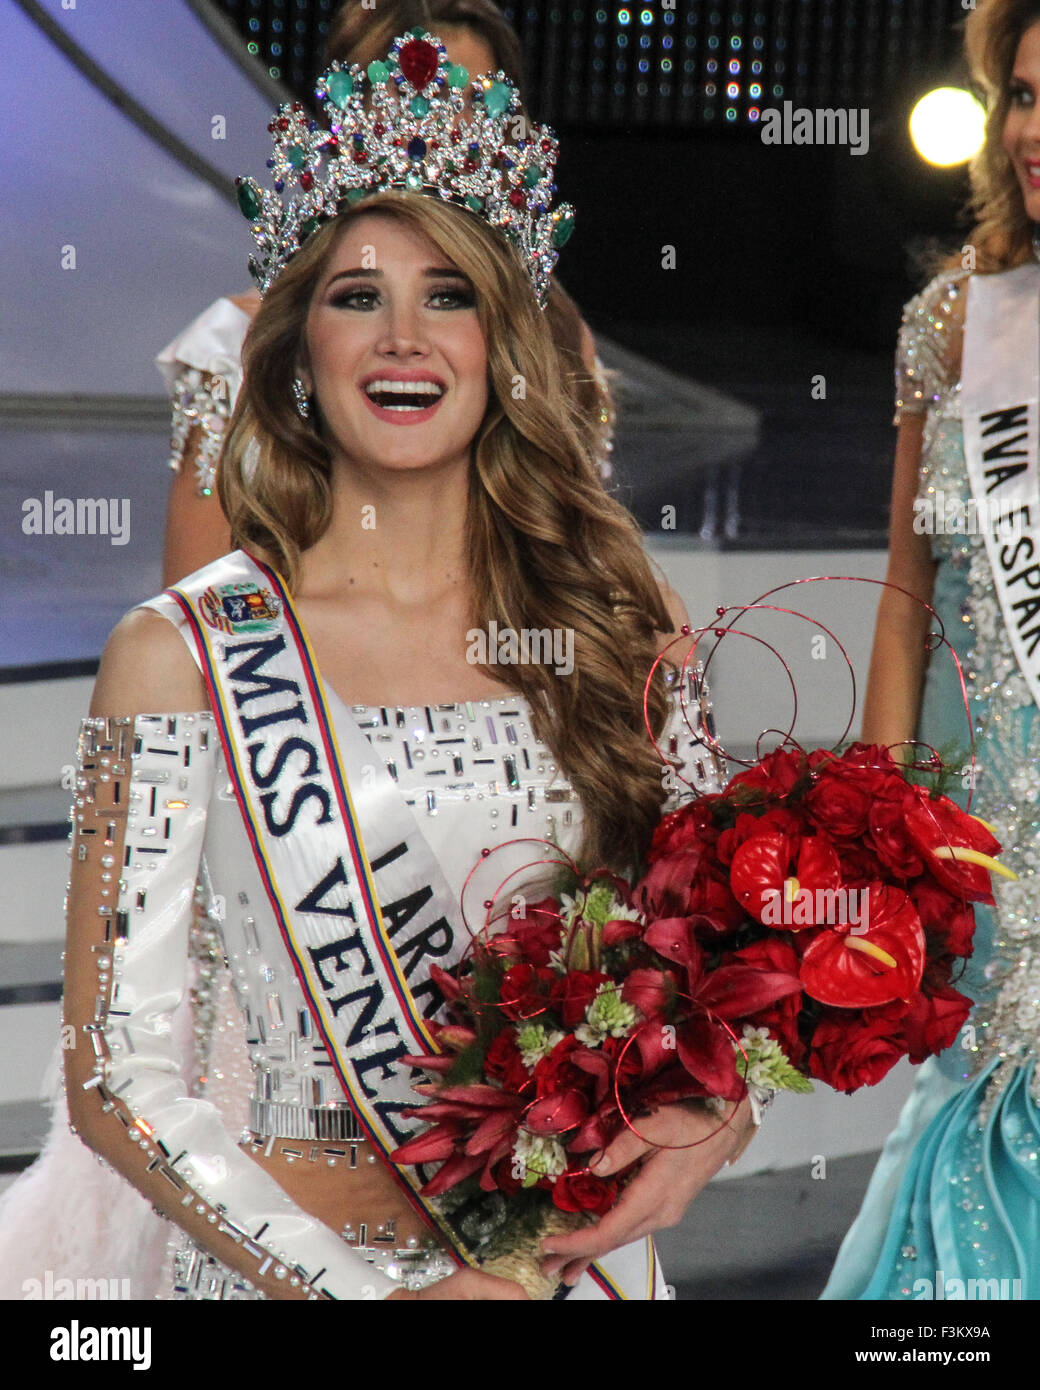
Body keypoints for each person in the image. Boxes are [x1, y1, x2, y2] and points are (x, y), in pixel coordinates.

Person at [44, 30, 754, 1301]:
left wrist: (713, 1114)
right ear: (297, 349)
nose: (402, 338)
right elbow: (114, 1072)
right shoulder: (179, 658)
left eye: (451, 294)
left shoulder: (615, 624)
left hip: (561, 1276)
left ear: (508, 341)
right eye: (356, 294)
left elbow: (718, 967)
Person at [823, 0, 1040, 1300]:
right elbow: (907, 594)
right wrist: (868, 826)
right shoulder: (955, 324)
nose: (1033, 129)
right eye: (1021, 93)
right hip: (988, 886)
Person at [160, 0, 612, 588]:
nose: (447, 124)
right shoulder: (234, 345)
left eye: (475, 100)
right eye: (415, 90)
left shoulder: (557, 329)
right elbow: (197, 619)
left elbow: (580, 559)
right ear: (355, 110)